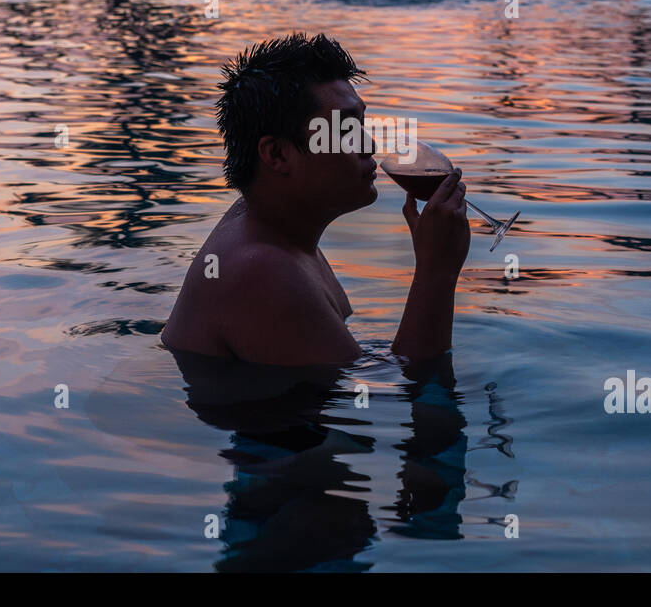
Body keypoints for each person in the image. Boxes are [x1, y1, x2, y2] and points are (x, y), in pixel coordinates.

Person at [162, 33, 470, 366]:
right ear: (277, 154)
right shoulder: (260, 272)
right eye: (343, 130)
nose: (368, 146)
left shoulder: (280, 229)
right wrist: (436, 271)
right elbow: (409, 386)